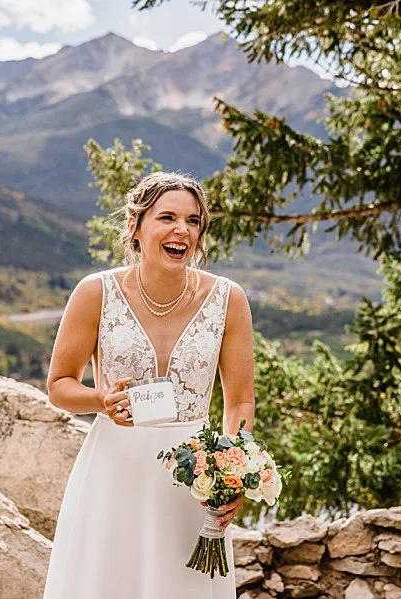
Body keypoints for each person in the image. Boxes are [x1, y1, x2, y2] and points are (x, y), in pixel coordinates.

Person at [41, 172, 256, 598]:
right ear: (136, 227)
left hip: (192, 480)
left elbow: (240, 403)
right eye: (168, 217)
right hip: (115, 469)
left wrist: (231, 473)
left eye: (193, 221)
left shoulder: (229, 299)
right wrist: (102, 399)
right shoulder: (95, 292)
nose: (182, 230)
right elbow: (59, 386)